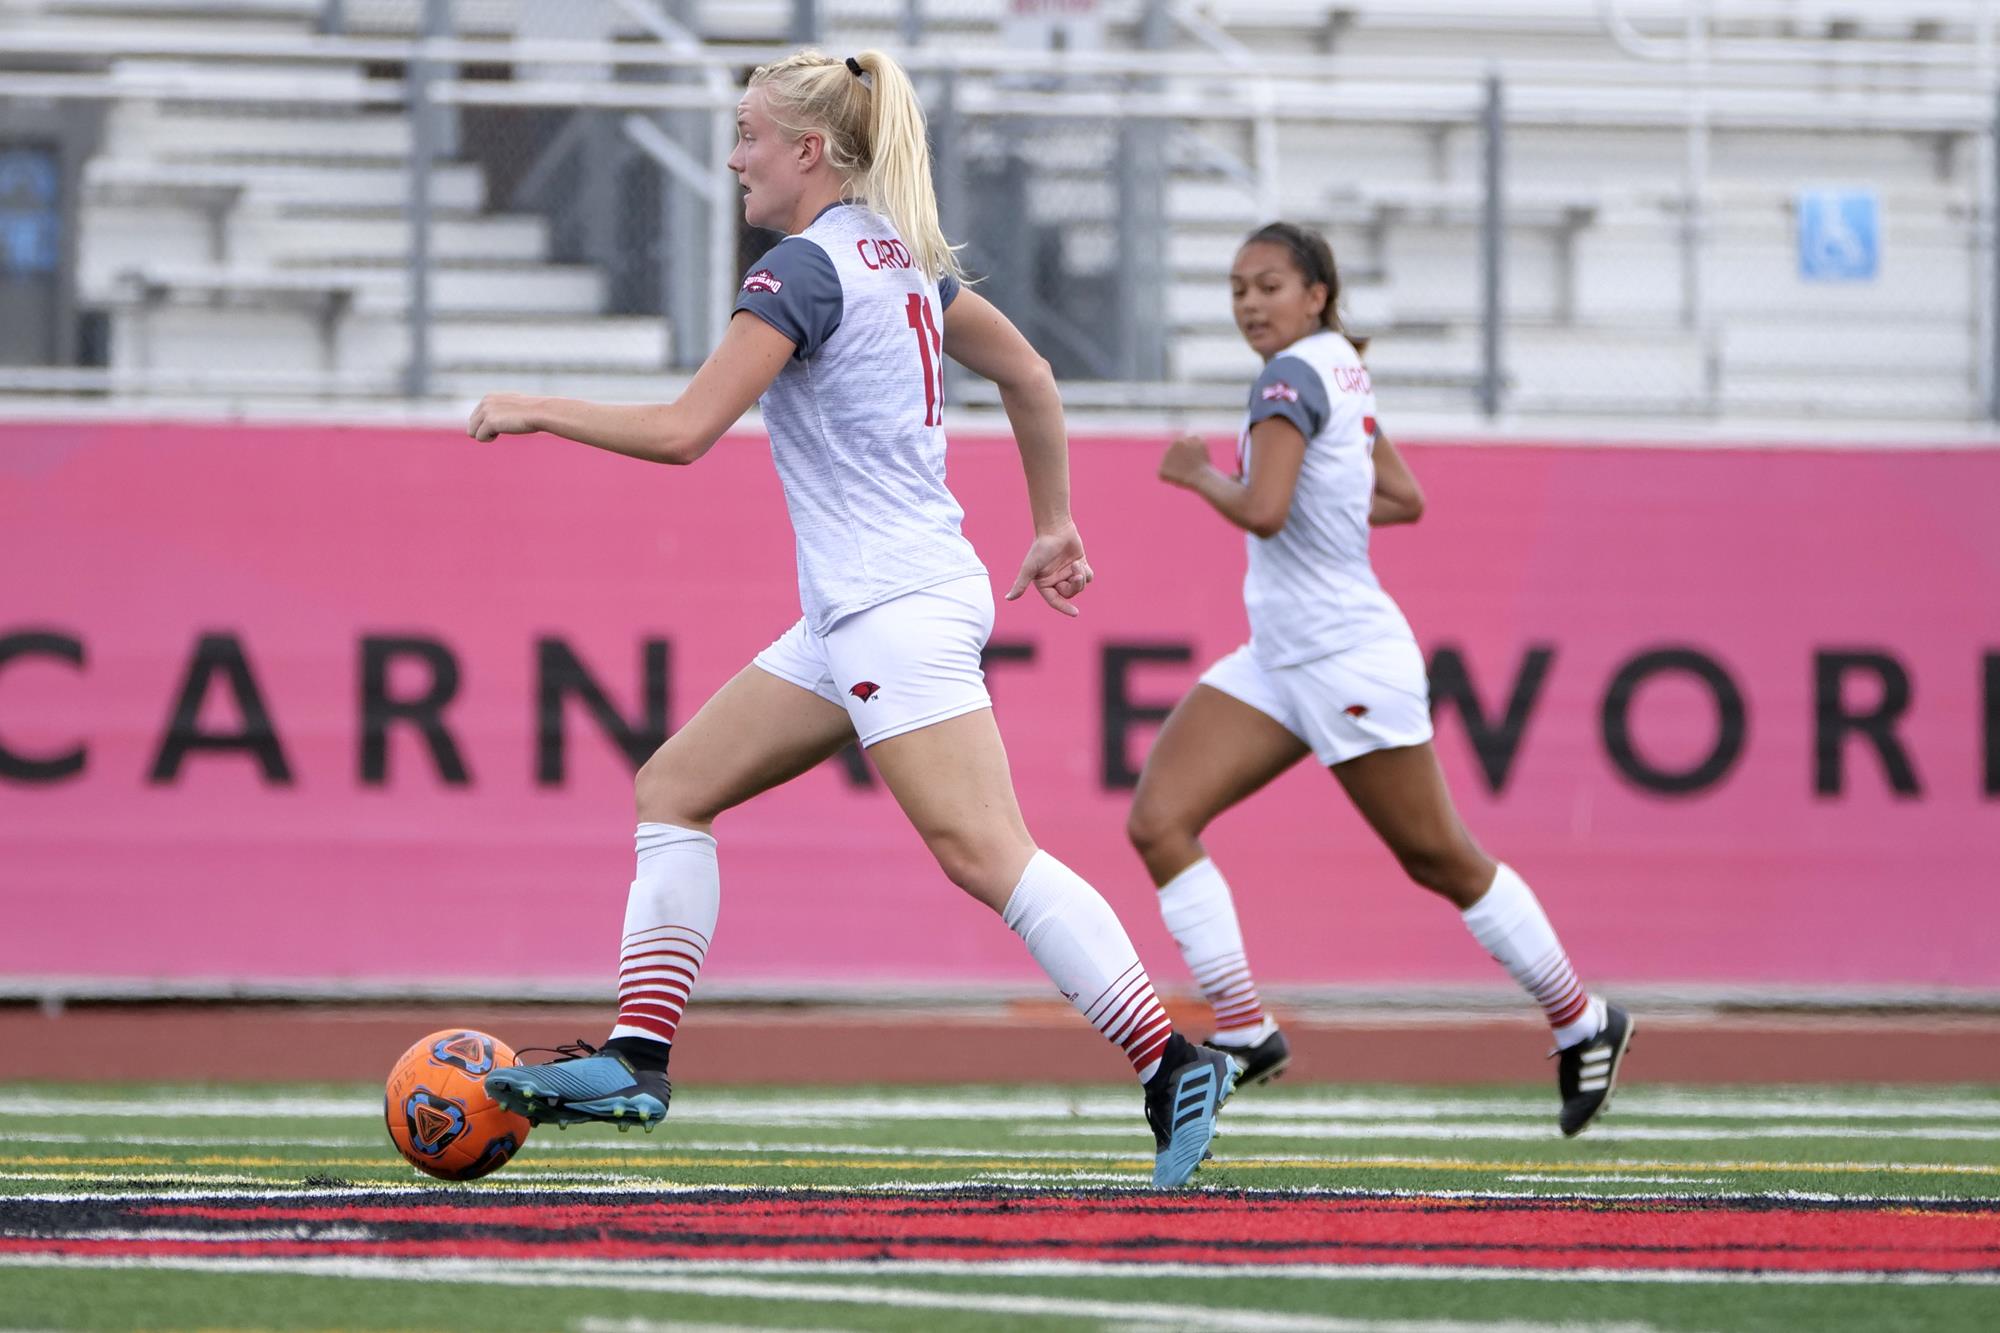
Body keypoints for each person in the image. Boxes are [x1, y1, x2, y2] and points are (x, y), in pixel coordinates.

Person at [464, 49, 1232, 1186]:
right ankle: (637, 1057)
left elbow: (684, 432)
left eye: (749, 135)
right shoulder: (900, 255)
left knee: (985, 852)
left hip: (888, 605)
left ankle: (1170, 1059)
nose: (735, 157)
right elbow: (1030, 374)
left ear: (809, 150)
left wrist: (536, 406)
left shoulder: (801, 269)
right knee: (674, 787)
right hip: (867, 605)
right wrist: (1053, 522)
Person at [1129, 221, 1633, 1136]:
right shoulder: (1338, 368)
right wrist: (1321, 502)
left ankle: (1582, 1017)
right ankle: (1244, 1028)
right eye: (1237, 288)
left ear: (1316, 294)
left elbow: (1266, 510)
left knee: (1440, 857)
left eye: (1269, 285)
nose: (1249, 303)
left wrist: (1198, 474)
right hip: (1284, 655)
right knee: (1160, 818)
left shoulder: (1289, 377)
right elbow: (1402, 496)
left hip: (1343, 656)